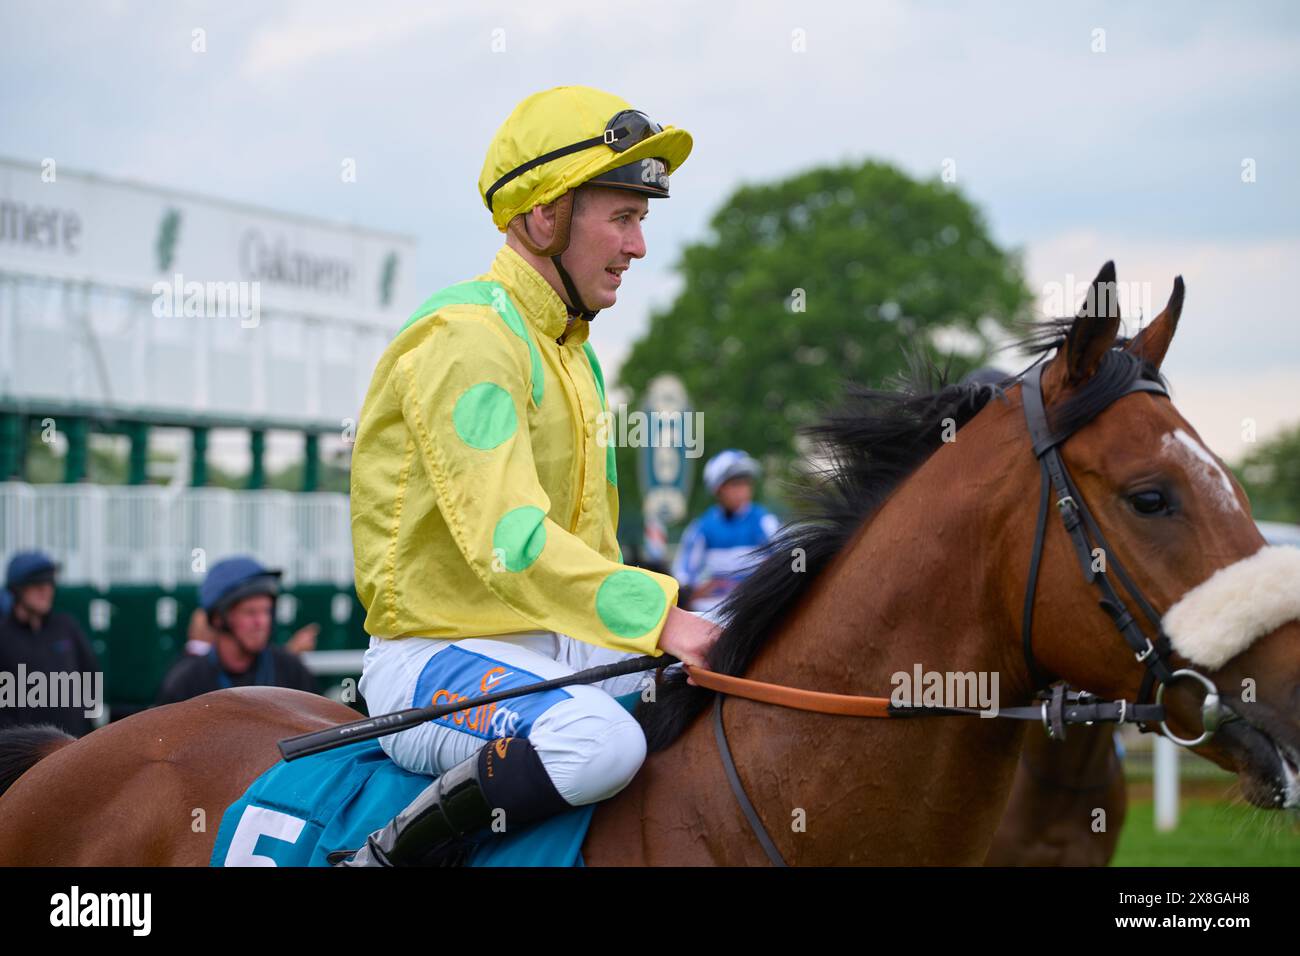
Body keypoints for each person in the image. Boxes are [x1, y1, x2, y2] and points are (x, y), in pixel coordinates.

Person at [337, 86, 721, 867]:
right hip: (432, 660)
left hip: (556, 652)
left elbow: (594, 546)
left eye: (641, 221)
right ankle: (381, 861)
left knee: (718, 701)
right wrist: (665, 617)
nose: (638, 247)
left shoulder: (572, 351)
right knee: (599, 740)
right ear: (543, 216)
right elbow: (511, 543)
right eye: (622, 218)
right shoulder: (470, 340)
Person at [154, 556, 318, 705]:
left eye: (267, 611)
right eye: (250, 612)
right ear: (218, 618)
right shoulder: (187, 682)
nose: (262, 622)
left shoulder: (291, 670)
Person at [0, 550, 101, 736]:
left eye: (50, 583)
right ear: (17, 590)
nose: (46, 590)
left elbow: (91, 676)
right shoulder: (3, 636)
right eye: (37, 584)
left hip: (72, 745)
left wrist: (91, 726)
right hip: (24, 755)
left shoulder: (66, 627)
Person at [672, 449, 781, 620]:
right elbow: (683, 578)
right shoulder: (701, 528)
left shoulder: (765, 522)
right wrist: (698, 590)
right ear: (718, 489)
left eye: (746, 483)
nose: (743, 490)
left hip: (757, 610)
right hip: (714, 613)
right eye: (735, 484)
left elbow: (793, 561)